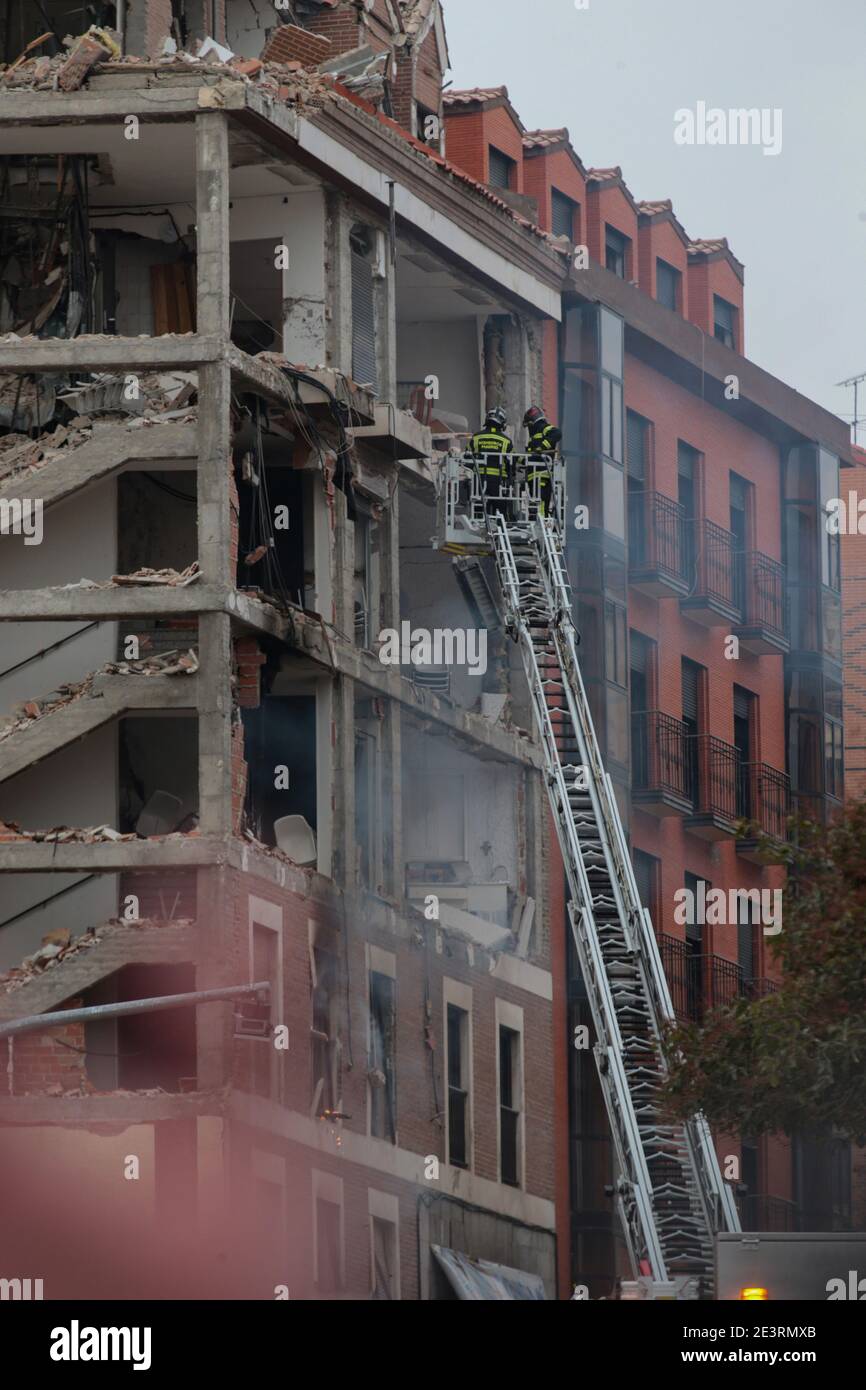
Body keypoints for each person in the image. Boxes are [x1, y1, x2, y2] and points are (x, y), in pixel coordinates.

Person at [468, 407, 514, 515]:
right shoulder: (506, 441)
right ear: (502, 423)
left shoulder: (476, 437)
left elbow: (467, 456)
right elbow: (512, 461)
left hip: (478, 479)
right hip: (498, 482)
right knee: (500, 510)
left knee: (478, 510)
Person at [523, 405, 562, 517]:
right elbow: (531, 454)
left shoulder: (544, 428)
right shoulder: (534, 436)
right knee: (535, 501)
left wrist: (542, 446)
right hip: (533, 475)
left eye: (528, 425)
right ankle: (537, 518)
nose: (528, 428)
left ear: (532, 422)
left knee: (541, 501)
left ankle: (541, 520)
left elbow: (557, 433)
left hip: (542, 474)